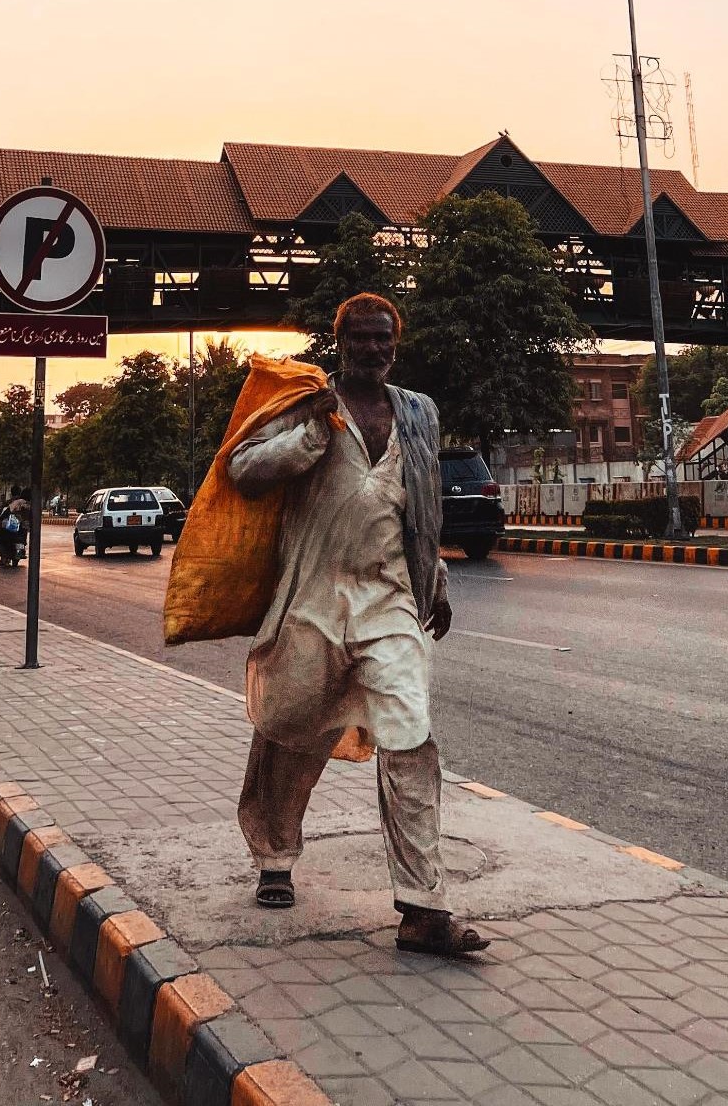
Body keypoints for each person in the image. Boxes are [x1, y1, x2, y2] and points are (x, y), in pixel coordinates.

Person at [226, 292, 490, 958]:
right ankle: (275, 854)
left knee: (412, 736)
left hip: (389, 597)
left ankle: (422, 908)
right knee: (292, 729)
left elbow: (421, 503)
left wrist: (436, 579)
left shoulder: (418, 413)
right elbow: (243, 471)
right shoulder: (308, 405)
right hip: (313, 596)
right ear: (339, 341)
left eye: (385, 340)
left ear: (395, 346)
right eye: (361, 338)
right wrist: (307, 435)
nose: (374, 349)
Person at [0, 495, 29, 568]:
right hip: (22, 533)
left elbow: (2, 517)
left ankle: (3, 559)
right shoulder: (29, 506)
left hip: (12, 531)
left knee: (1, 539)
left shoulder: (10, 505)